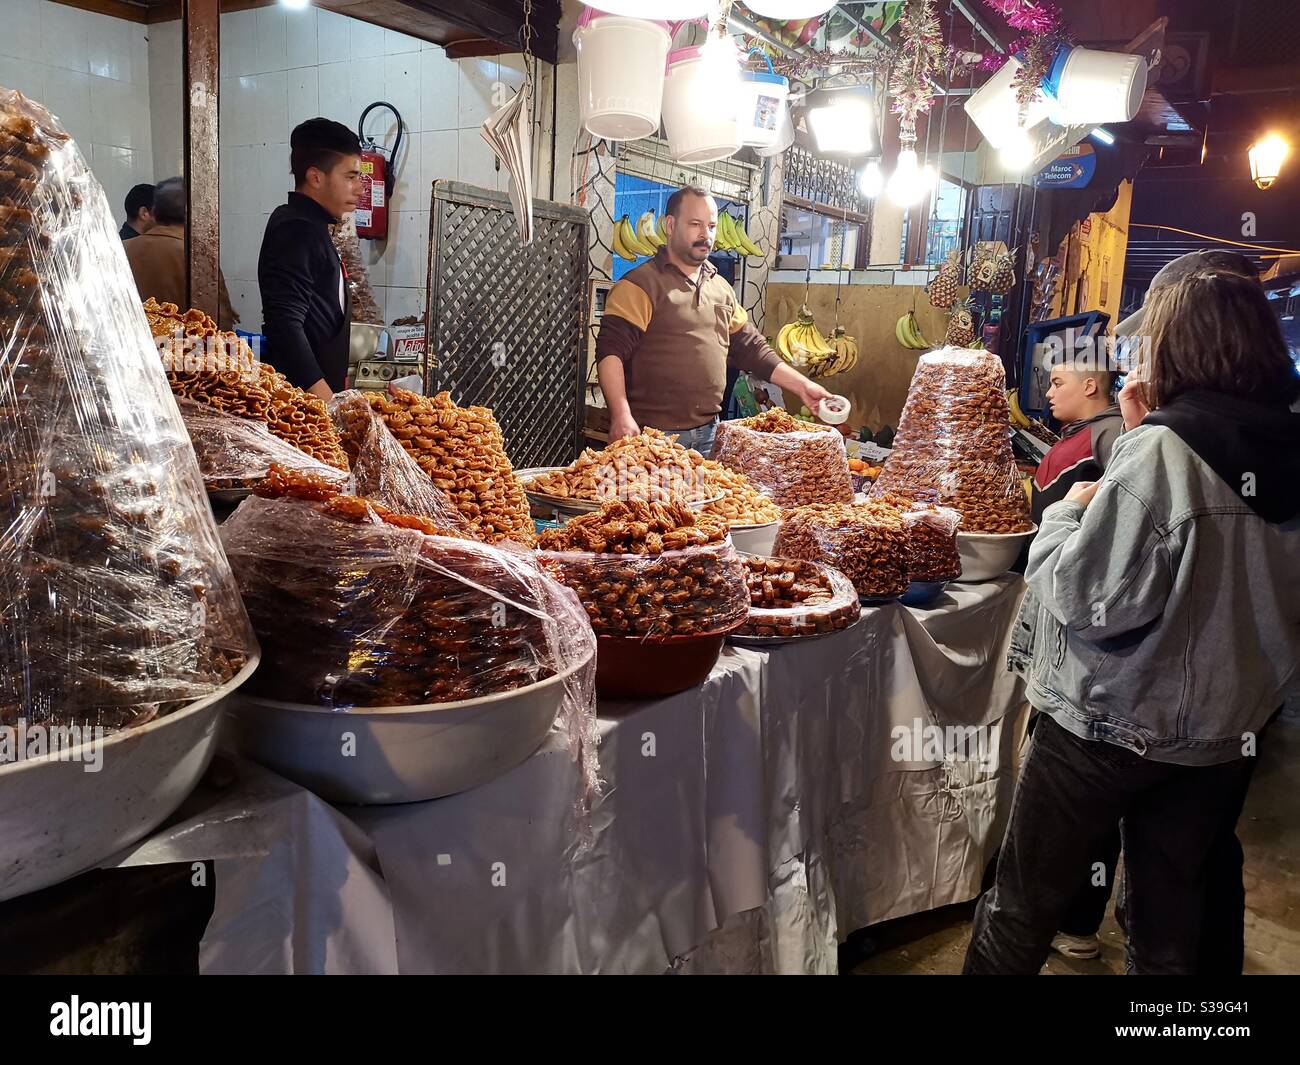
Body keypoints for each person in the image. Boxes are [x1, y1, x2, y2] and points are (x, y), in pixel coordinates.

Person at [966, 270, 1300, 975]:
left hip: (1107, 726)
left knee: (1019, 908)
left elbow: (1091, 596)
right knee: (1168, 930)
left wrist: (1067, 512)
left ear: (1183, 346)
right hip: (1221, 736)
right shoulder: (1286, 448)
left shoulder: (1166, 449)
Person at [1009, 359, 1125, 961]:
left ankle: (1074, 921)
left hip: (1083, 643)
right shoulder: (1080, 437)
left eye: (1057, 383)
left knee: (1072, 807)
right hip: (1060, 609)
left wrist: (1066, 515)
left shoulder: (1113, 437)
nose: (1048, 393)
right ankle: (1073, 918)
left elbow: (1111, 523)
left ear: (1091, 387)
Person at [595, 185, 836, 457]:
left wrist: (803, 387)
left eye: (711, 226)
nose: (705, 235)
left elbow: (751, 348)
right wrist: (620, 413)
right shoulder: (640, 284)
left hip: (710, 435)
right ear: (670, 225)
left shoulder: (720, 288)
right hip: (651, 437)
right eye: (695, 224)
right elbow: (610, 353)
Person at [258, 118, 362, 401]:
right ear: (315, 177)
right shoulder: (296, 228)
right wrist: (327, 404)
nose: (360, 189)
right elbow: (284, 324)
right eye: (351, 177)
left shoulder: (313, 227)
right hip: (304, 410)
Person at [124, 177, 238, 329]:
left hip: (134, 347)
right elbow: (219, 323)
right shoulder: (198, 257)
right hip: (183, 348)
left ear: (154, 212)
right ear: (193, 214)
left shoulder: (123, 249)